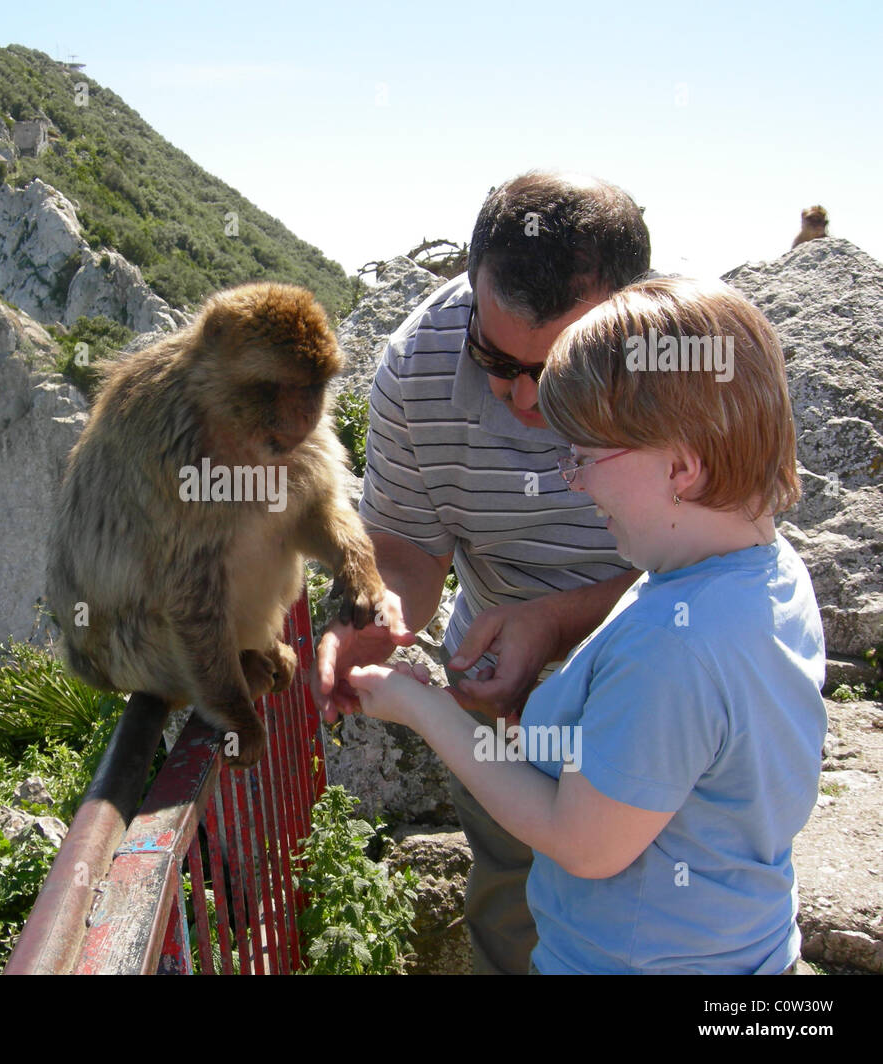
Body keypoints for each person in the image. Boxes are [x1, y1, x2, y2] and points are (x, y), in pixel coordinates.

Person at [344, 276, 826, 974]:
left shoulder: (676, 643)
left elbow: (584, 841)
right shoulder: (764, 576)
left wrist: (423, 710)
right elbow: (685, 761)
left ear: (683, 468)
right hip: (743, 948)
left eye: (587, 458)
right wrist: (539, 726)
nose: (575, 480)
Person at [313, 170, 650, 973]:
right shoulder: (419, 366)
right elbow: (404, 548)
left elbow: (727, 570)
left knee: (655, 919)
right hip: (500, 704)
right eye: (494, 358)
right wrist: (379, 617)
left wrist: (559, 620)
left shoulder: (680, 369)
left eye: (564, 368)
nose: (522, 398)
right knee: (514, 913)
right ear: (470, 283)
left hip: (651, 689)